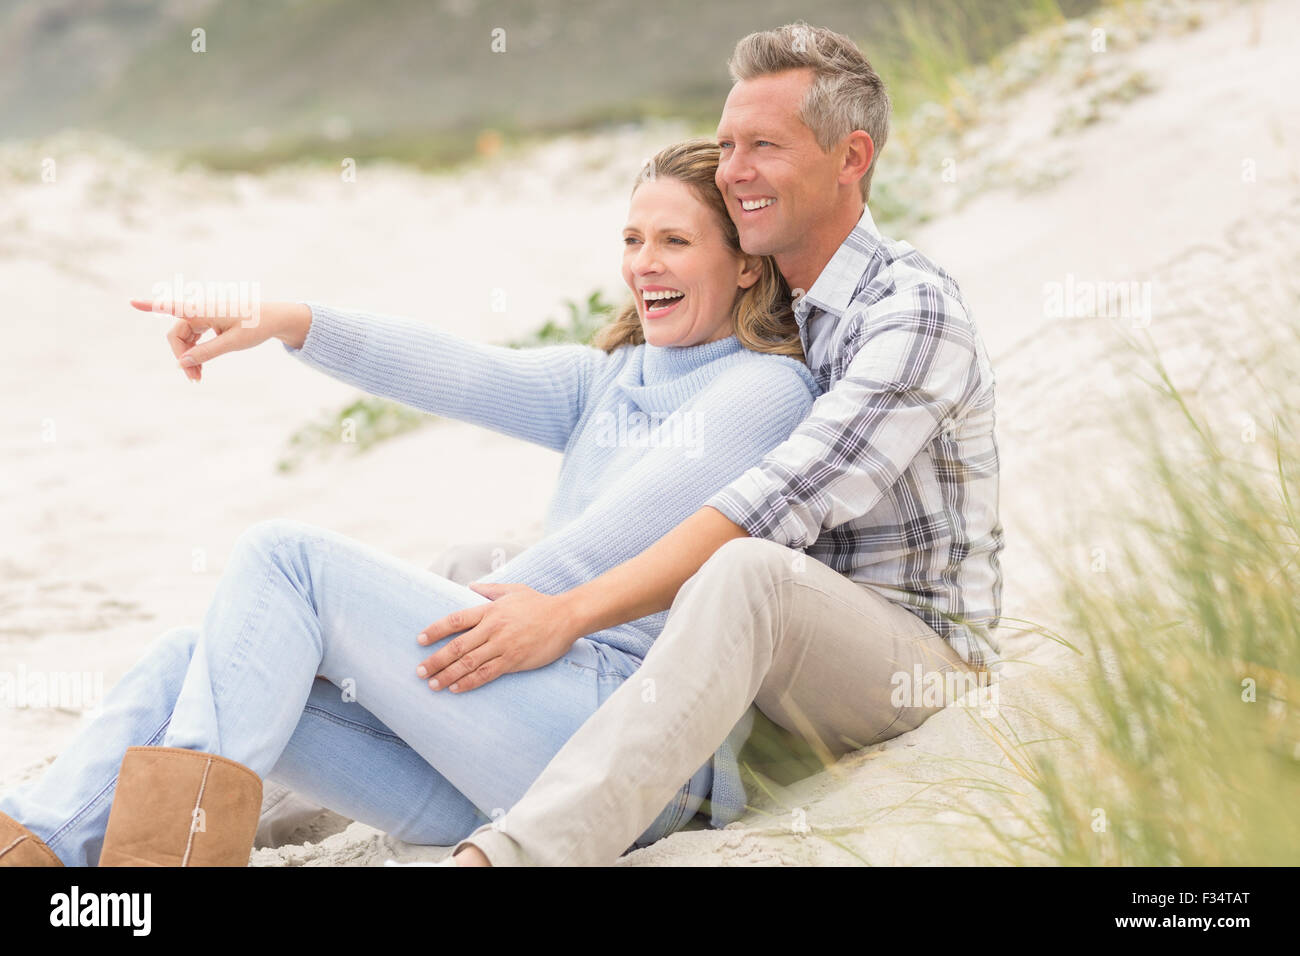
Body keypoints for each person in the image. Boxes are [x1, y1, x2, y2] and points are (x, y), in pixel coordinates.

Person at [0, 138, 818, 867]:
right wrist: (289, 321)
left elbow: (600, 549)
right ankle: (30, 845)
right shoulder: (610, 380)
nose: (645, 262)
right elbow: (453, 369)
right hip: (497, 765)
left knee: (286, 561)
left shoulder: (765, 388)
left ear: (746, 261)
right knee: (200, 658)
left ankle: (172, 865)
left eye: (676, 241)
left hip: (626, 755)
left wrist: (373, 637)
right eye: (634, 240)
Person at [439, 22, 1005, 866]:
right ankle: (245, 791)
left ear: (851, 159)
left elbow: (775, 505)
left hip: (911, 662)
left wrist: (568, 612)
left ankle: (517, 855)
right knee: (471, 566)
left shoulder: (909, 311)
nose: (733, 170)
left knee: (746, 573)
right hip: (769, 669)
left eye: (764, 145)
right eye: (728, 142)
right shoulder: (784, 315)